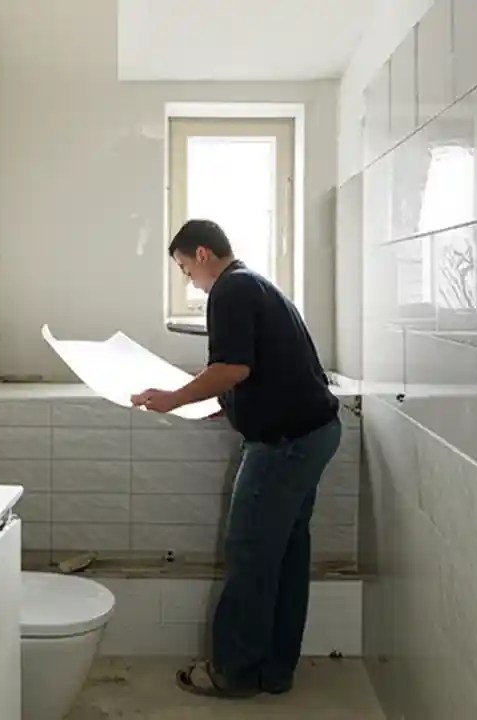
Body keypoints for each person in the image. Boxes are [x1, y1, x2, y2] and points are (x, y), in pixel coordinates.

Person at [132, 219, 342, 698]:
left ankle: (235, 672)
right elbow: (259, 369)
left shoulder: (229, 291)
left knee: (250, 553)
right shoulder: (257, 285)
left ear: (203, 254)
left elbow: (232, 366)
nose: (190, 280)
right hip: (313, 434)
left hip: (285, 445)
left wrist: (175, 398)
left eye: (186, 269)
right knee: (286, 556)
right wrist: (226, 404)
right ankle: (274, 670)